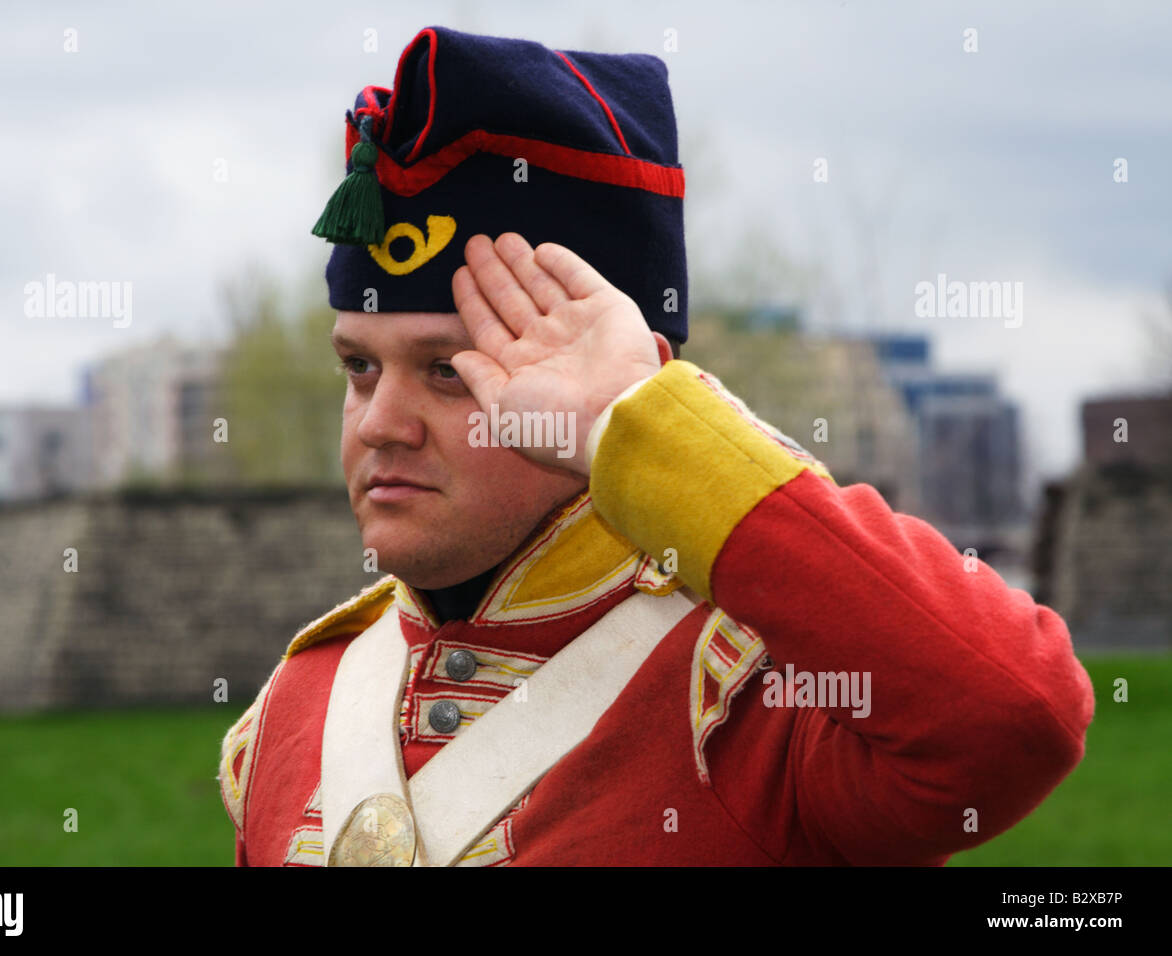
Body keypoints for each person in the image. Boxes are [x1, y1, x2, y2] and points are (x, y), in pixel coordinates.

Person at [217, 25, 1094, 866]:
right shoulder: (303, 703)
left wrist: (638, 421)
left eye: (449, 371)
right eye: (359, 366)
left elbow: (1013, 714)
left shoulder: (763, 690)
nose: (378, 423)